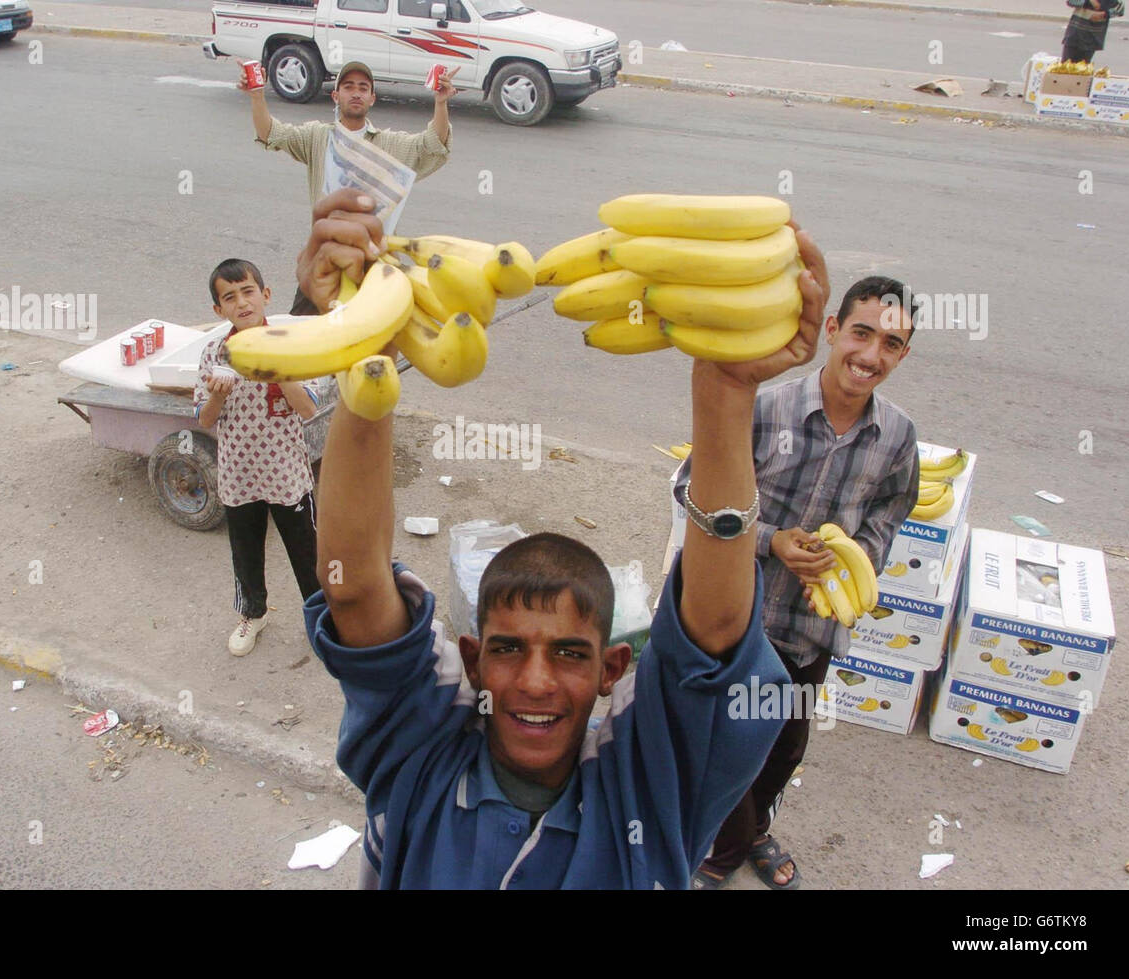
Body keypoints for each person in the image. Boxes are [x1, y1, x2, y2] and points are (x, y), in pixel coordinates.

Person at [294, 188, 833, 889]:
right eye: (508, 648)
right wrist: (359, 343)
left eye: (571, 653)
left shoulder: (649, 787)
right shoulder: (420, 750)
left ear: (613, 669)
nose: (537, 681)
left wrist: (727, 395)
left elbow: (718, 636)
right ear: (472, 659)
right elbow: (354, 583)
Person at [692, 276, 921, 891]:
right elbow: (689, 491)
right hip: (735, 619)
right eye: (862, 333)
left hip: (811, 629)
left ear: (903, 355)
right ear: (832, 331)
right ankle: (723, 850)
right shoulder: (765, 409)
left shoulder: (897, 438)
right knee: (723, 743)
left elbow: (889, 514)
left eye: (892, 344)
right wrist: (770, 540)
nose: (871, 355)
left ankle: (752, 829)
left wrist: (852, 560)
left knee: (783, 746)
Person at [240, 60, 457, 314]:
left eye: (363, 88)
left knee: (372, 341)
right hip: (325, 258)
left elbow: (432, 145)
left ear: (372, 98)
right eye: (349, 86)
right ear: (336, 95)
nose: (356, 93)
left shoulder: (390, 144)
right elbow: (271, 134)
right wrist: (257, 97)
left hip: (374, 265)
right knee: (302, 330)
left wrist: (441, 103)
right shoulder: (317, 137)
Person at [193, 259, 322, 657]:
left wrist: (277, 370)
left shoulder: (292, 345)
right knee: (245, 551)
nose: (241, 303)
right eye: (229, 297)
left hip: (287, 472)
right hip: (238, 473)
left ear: (265, 296)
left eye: (248, 292)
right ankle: (253, 613)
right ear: (219, 310)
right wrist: (218, 392)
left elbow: (309, 409)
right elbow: (204, 419)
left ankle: (320, 620)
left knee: (306, 553)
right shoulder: (215, 352)